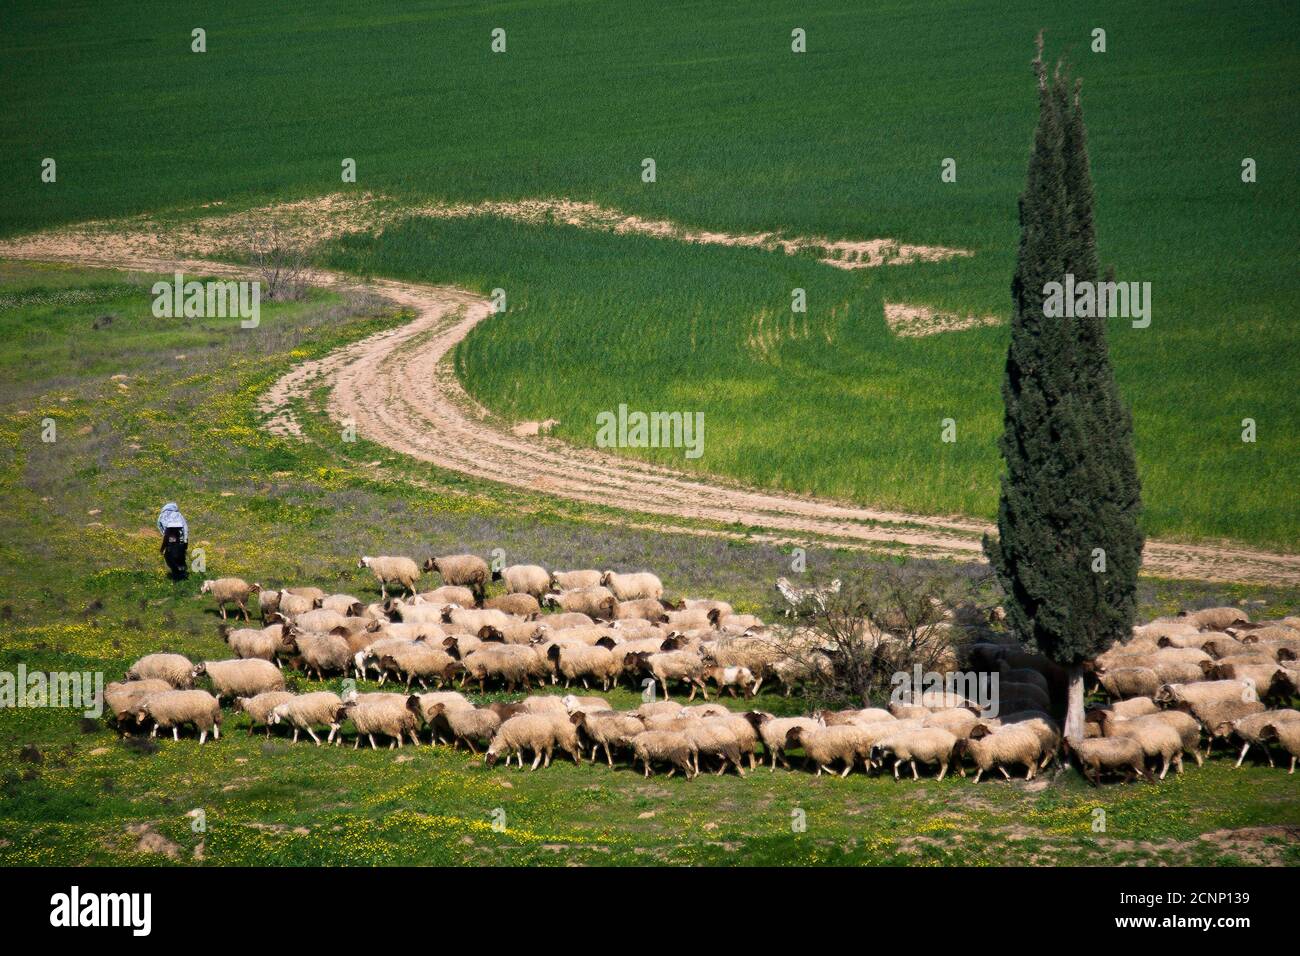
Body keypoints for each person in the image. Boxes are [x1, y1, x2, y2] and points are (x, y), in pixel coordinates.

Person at [157, 502, 189, 580]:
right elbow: (185, 527)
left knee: (169, 557)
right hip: (180, 540)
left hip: (170, 541)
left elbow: (160, 527)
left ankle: (177, 575)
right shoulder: (179, 515)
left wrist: (163, 546)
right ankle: (182, 574)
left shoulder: (162, 516)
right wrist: (185, 540)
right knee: (181, 557)